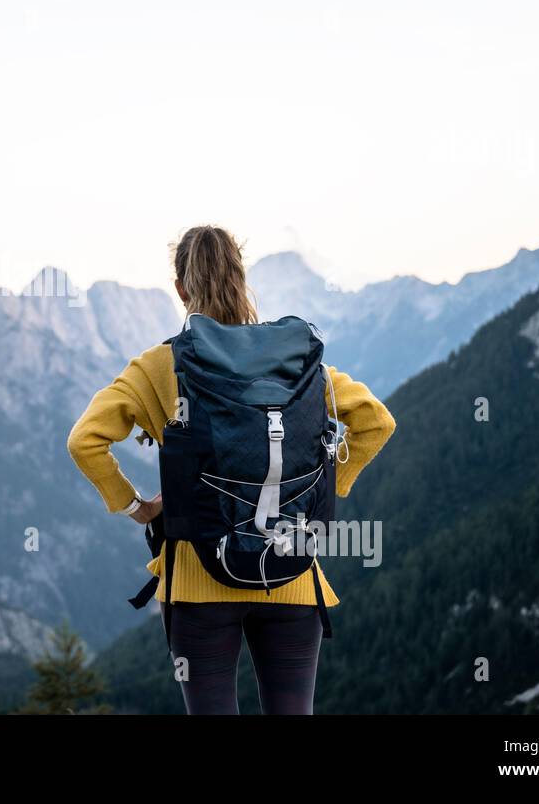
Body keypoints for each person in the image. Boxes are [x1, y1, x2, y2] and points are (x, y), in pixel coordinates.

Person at [67, 225, 396, 714]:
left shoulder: (162, 365)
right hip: (291, 572)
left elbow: (85, 441)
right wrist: (325, 488)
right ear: (242, 280)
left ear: (180, 289)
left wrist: (137, 507)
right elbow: (375, 421)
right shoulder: (297, 361)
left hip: (198, 582)